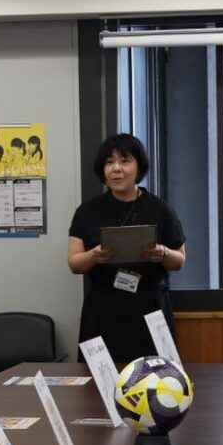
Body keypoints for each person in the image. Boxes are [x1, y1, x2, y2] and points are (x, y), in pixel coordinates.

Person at [67, 133, 188, 369]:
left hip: (149, 307)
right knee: (98, 380)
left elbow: (179, 260)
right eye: (109, 162)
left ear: (139, 167)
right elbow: (74, 263)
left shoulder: (159, 209)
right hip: (103, 308)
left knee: (155, 378)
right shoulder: (87, 211)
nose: (116, 169)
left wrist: (162, 252)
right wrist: (94, 255)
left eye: (124, 161)